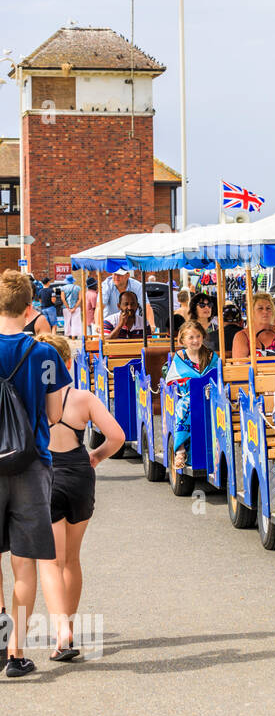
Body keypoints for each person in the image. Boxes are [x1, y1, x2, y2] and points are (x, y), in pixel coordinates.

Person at [0, 271, 73, 677]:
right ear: (30, 309)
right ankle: (16, 654)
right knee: (24, 563)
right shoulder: (44, 354)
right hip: (31, 464)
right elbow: (54, 414)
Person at [37, 333, 124, 651]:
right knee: (72, 559)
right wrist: (96, 457)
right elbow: (116, 435)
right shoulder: (84, 398)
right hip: (80, 476)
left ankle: (62, 632)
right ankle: (69, 626)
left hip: (46, 476)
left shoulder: (32, 398)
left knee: (52, 561)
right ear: (69, 364)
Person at [163, 320, 213, 470]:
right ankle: (180, 449)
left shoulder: (210, 356)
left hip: (208, 395)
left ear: (203, 337)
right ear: (183, 340)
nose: (195, 340)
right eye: (191, 337)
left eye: (198, 336)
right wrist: (186, 383)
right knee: (184, 406)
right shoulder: (180, 357)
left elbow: (217, 375)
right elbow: (171, 378)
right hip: (187, 395)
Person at [231, 292, 275, 358]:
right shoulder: (242, 336)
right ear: (252, 312)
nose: (265, 311)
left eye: (268, 308)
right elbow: (239, 365)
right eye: (260, 308)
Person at [101, 270, 157, 334]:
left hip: (133, 325)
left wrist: (151, 324)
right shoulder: (107, 285)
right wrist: (98, 324)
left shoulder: (137, 286)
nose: (116, 277)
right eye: (114, 274)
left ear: (127, 275)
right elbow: (99, 307)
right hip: (109, 326)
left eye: (119, 275)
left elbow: (146, 306)